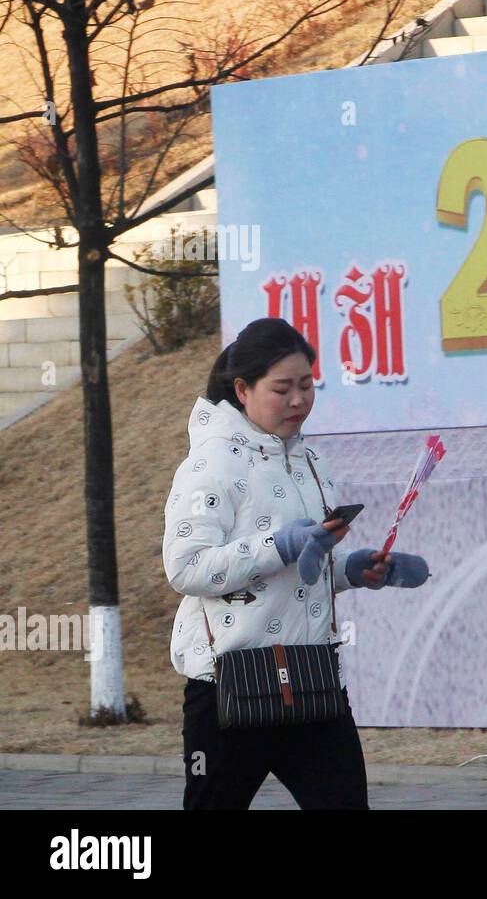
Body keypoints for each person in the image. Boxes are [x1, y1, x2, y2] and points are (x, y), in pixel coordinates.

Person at [163, 317, 431, 809]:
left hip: (312, 679)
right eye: (282, 388)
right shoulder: (209, 464)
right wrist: (278, 545)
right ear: (242, 389)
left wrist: (354, 569)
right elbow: (187, 568)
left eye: (307, 385)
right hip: (232, 684)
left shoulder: (311, 462)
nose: (298, 400)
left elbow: (306, 566)